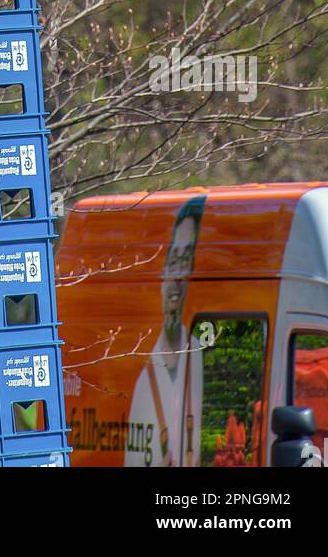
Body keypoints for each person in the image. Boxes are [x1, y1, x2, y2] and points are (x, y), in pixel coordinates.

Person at [125, 197, 206, 467]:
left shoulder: (202, 357)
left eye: (186, 260)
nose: (177, 277)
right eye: (173, 260)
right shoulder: (142, 379)